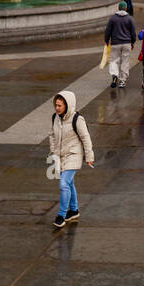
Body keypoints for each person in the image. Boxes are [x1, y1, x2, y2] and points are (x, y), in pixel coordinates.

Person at [50, 89, 94, 229]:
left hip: (74, 155)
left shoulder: (77, 119)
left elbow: (85, 138)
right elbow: (51, 134)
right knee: (69, 183)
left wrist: (89, 156)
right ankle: (74, 210)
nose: (57, 108)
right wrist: (53, 151)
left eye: (60, 105)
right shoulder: (55, 118)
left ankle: (61, 215)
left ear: (67, 105)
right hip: (61, 155)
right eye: (56, 105)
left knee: (63, 184)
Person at [104, 0, 137, 89]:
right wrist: (133, 42)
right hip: (126, 43)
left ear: (118, 8)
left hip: (115, 43)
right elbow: (133, 32)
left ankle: (114, 76)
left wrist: (106, 40)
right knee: (125, 61)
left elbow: (108, 31)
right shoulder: (130, 18)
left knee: (114, 60)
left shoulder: (113, 18)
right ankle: (122, 81)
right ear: (126, 8)